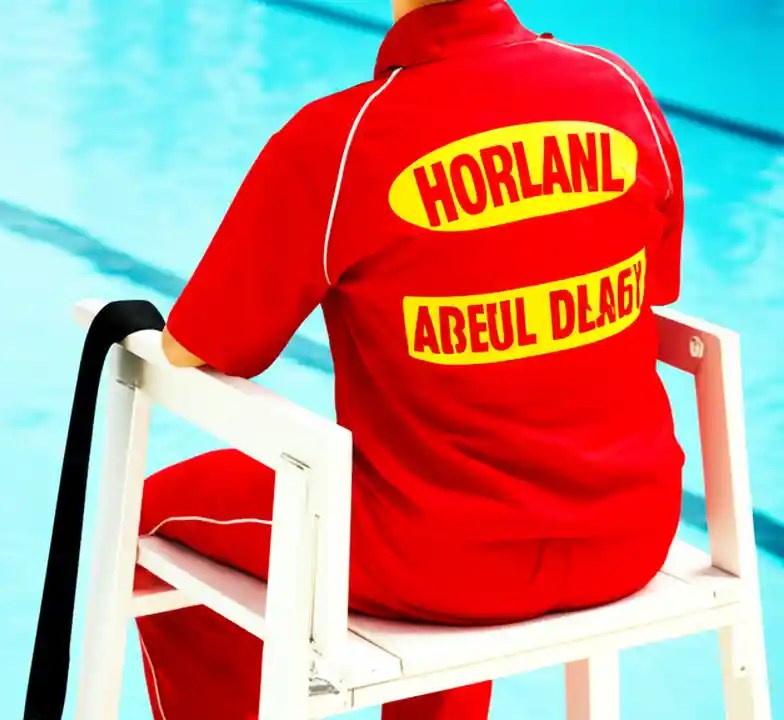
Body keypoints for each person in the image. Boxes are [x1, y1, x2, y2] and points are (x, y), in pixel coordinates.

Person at [135, 0, 685, 718]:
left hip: (436, 562)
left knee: (148, 518)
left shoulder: (339, 139)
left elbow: (204, 348)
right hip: (632, 536)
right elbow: (656, 290)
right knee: (440, 490)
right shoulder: (620, 89)